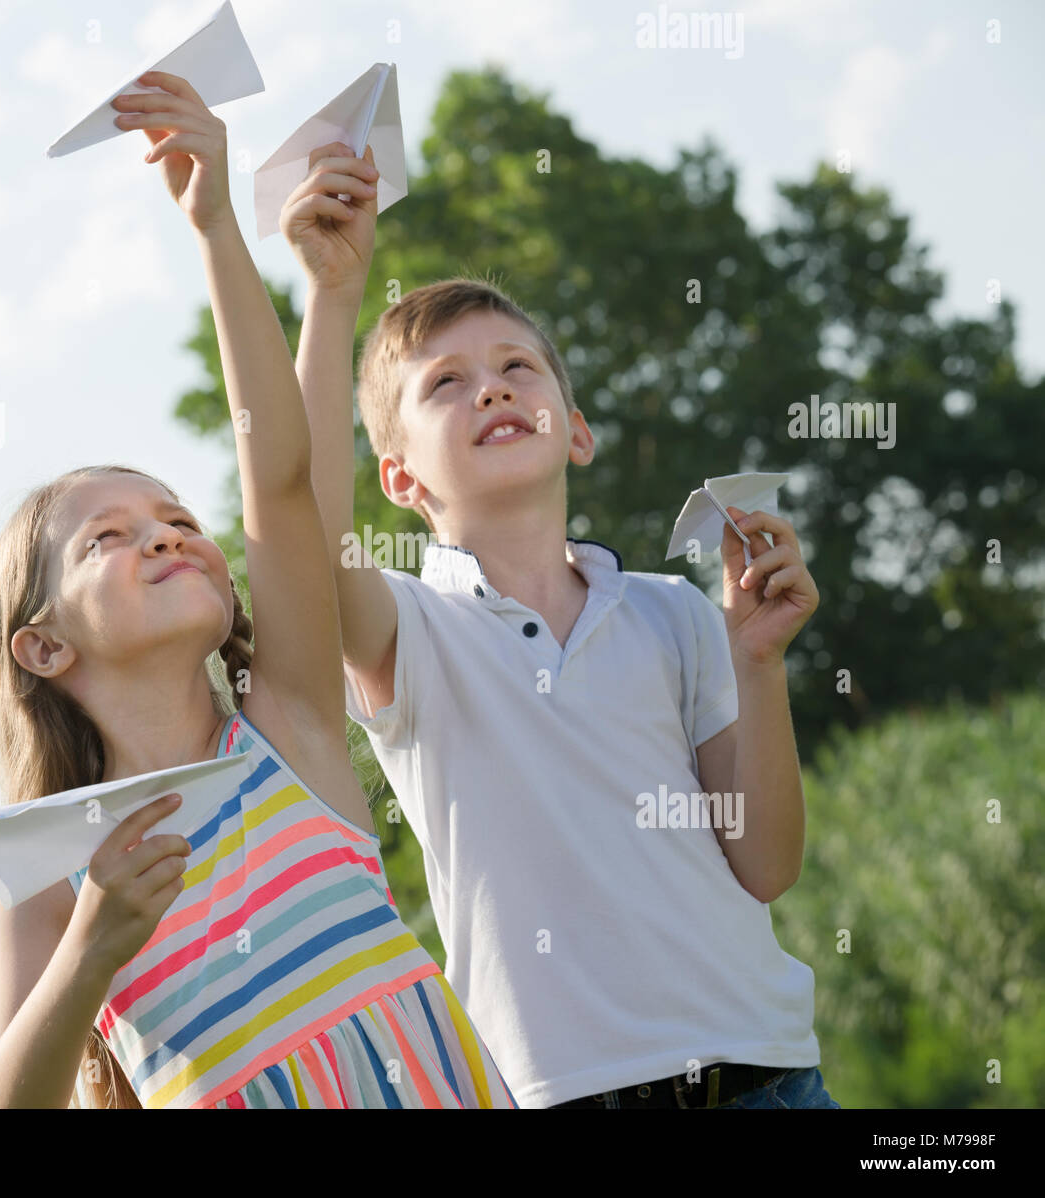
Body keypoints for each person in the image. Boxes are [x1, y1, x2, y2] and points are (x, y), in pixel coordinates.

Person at [0, 74, 516, 1110]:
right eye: (111, 538)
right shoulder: (54, 873)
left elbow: (278, 476)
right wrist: (90, 950)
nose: (170, 533)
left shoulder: (291, 732)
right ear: (42, 647)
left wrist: (218, 224)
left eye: (178, 517)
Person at [278, 140, 840, 1109]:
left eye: (515, 367)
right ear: (400, 479)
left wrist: (757, 662)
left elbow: (765, 864)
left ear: (573, 430)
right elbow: (303, 524)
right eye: (443, 384)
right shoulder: (408, 629)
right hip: (562, 1093)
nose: (491, 387)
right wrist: (332, 293)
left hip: (768, 1074)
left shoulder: (674, 614)